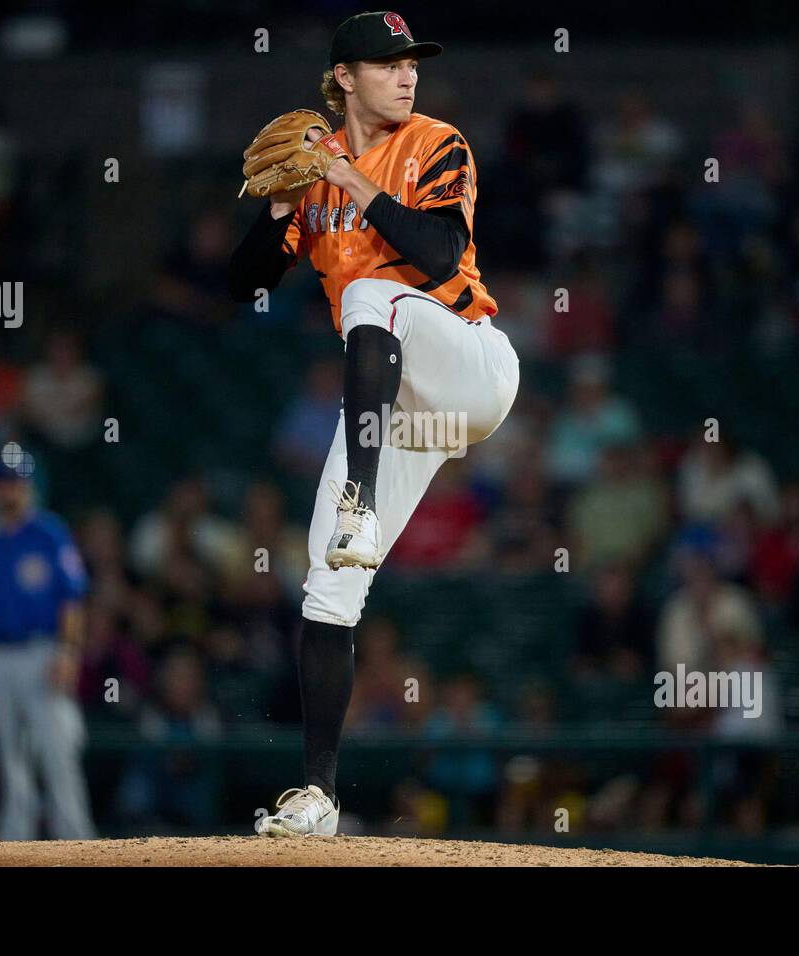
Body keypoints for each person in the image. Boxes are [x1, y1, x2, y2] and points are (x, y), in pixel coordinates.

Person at [229, 11, 520, 836]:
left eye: (412, 61)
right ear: (343, 78)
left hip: (467, 369)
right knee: (328, 586)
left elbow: (433, 254)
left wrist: (353, 182)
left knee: (369, 294)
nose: (407, 73)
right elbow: (238, 281)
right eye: (387, 62)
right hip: (395, 413)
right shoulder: (312, 173)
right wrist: (282, 201)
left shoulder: (437, 142)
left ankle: (357, 493)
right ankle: (318, 794)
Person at [0, 451, 96, 840]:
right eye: (5, 481)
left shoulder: (50, 533)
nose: (11, 489)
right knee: (11, 757)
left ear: (29, 486)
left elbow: (72, 599)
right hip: (1, 655)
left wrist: (68, 652)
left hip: (42, 651)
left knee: (56, 752)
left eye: (18, 481)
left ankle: (77, 841)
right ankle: (14, 844)